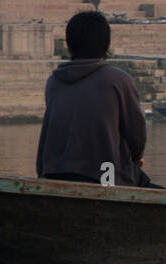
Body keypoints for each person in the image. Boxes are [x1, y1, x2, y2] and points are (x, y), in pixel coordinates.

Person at [36, 11, 156, 187]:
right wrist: (135, 159)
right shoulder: (118, 80)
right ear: (107, 46)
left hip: (52, 174)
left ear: (69, 46)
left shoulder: (53, 82)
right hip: (104, 177)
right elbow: (137, 135)